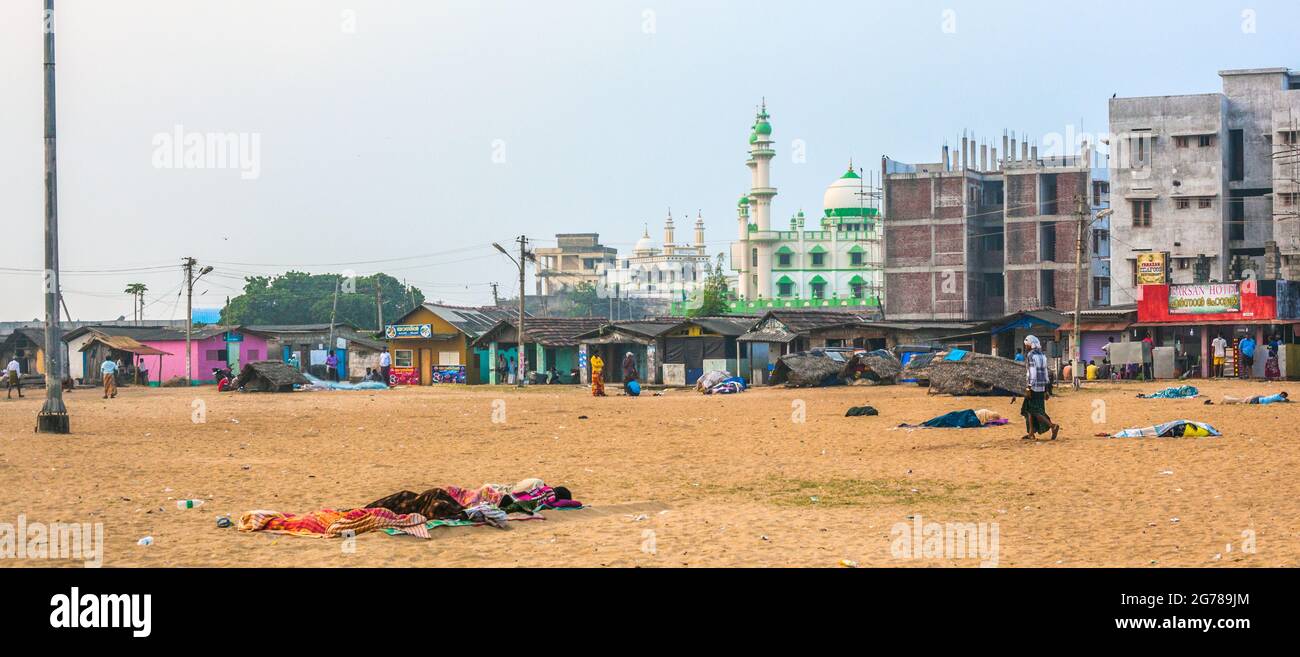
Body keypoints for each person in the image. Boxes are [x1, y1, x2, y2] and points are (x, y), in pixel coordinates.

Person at [1019, 335, 1059, 441]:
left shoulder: (1030, 355)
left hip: (1034, 386)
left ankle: (1052, 426)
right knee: (1030, 410)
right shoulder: (1042, 355)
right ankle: (1031, 433)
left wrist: (1029, 387)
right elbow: (1045, 372)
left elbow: (1032, 372)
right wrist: (1046, 389)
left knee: (1034, 410)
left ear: (1030, 344)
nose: (1025, 346)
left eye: (1026, 344)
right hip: (1041, 387)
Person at [1217, 391, 1289, 405]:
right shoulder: (1279, 397)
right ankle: (1227, 399)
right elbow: (1286, 400)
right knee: (1241, 401)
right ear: (1282, 394)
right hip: (1258, 400)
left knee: (1241, 400)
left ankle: (1227, 399)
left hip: (1258, 398)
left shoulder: (1276, 396)